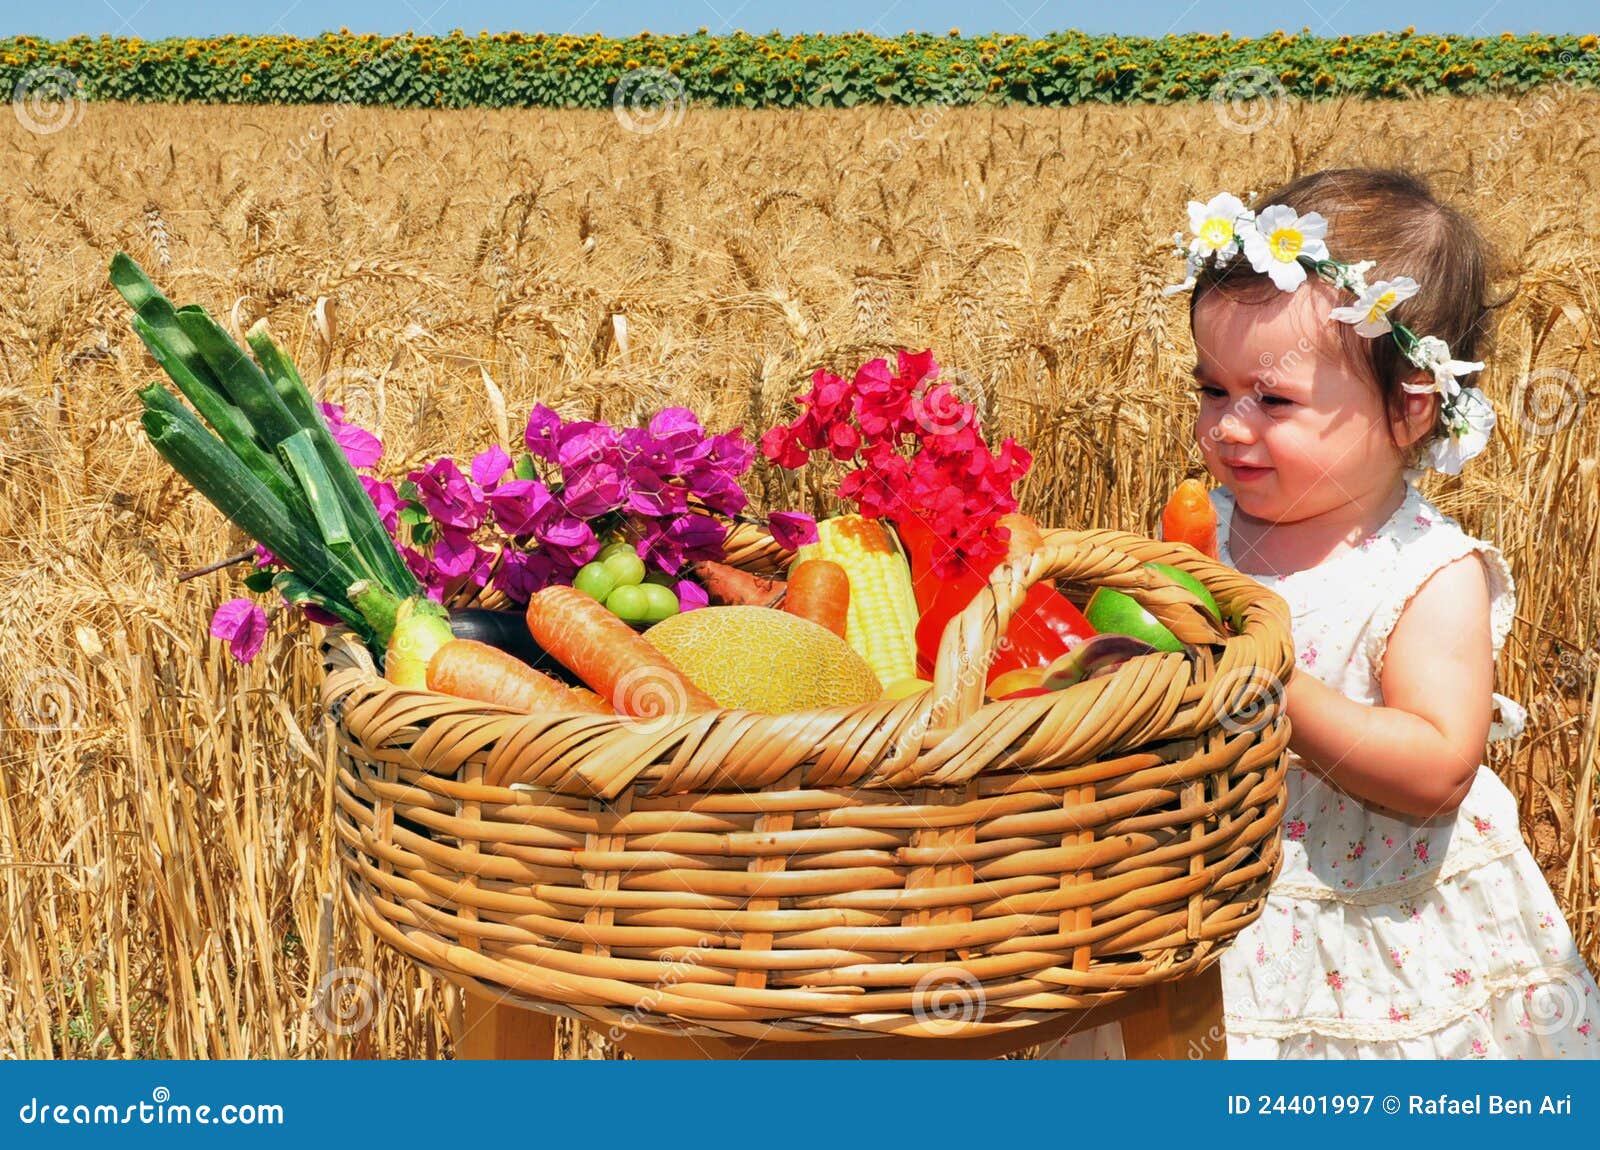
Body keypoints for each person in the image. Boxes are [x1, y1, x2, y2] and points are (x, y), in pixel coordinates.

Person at [1045, 168, 1600, 1060]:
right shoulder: (1201, 532)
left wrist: (1263, 682)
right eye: (1212, 390)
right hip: (1196, 911)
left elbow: (1435, 769)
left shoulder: (1424, 573)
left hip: (1370, 937)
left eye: (1272, 400)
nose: (1228, 426)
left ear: (1409, 409)